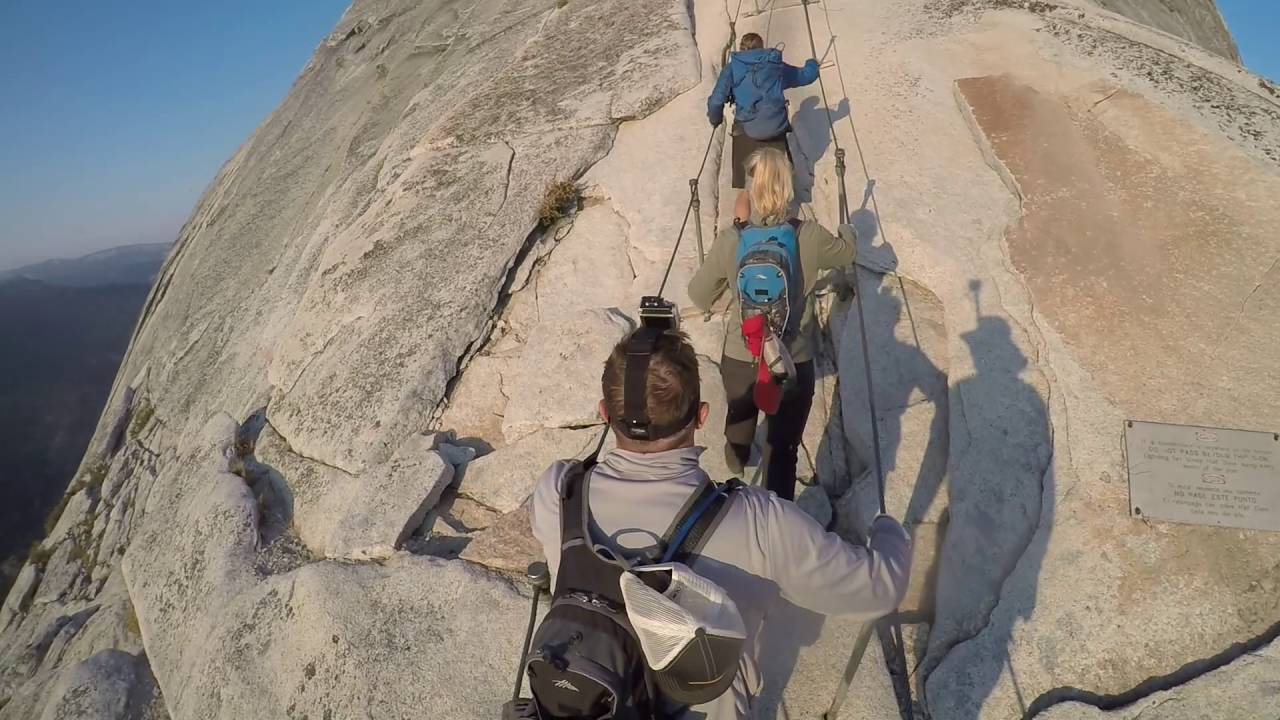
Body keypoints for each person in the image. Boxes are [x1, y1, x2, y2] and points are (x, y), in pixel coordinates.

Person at [530, 328, 911, 720]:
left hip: (581, 694)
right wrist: (889, 529)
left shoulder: (558, 489)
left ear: (605, 413)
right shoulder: (761, 523)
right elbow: (880, 589)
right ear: (701, 416)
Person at [688, 147, 853, 501]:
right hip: (792, 358)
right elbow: (846, 253)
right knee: (783, 447)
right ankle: (777, 517)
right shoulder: (808, 235)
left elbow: (698, 295)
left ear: (749, 188)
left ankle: (737, 457)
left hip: (740, 354)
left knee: (741, 410)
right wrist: (847, 231)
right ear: (788, 187)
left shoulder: (732, 239)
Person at [707, 32, 819, 222]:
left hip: (746, 131)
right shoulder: (775, 66)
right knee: (776, 183)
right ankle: (779, 227)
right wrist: (812, 64)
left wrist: (715, 119)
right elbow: (804, 76)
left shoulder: (732, 68)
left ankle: (742, 230)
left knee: (744, 189)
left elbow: (716, 100)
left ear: (741, 48)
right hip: (775, 130)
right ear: (762, 46)